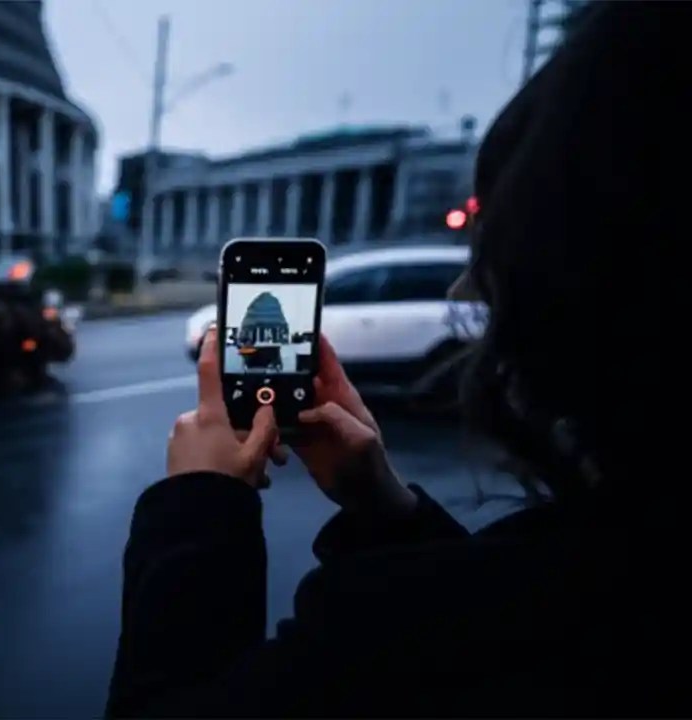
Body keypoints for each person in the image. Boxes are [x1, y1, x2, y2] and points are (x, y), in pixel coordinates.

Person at [107, 3, 687, 716]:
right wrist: (386, 509)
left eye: (492, 251)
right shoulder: (625, 580)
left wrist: (197, 502)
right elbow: (492, 604)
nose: (463, 287)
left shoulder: (375, 642)